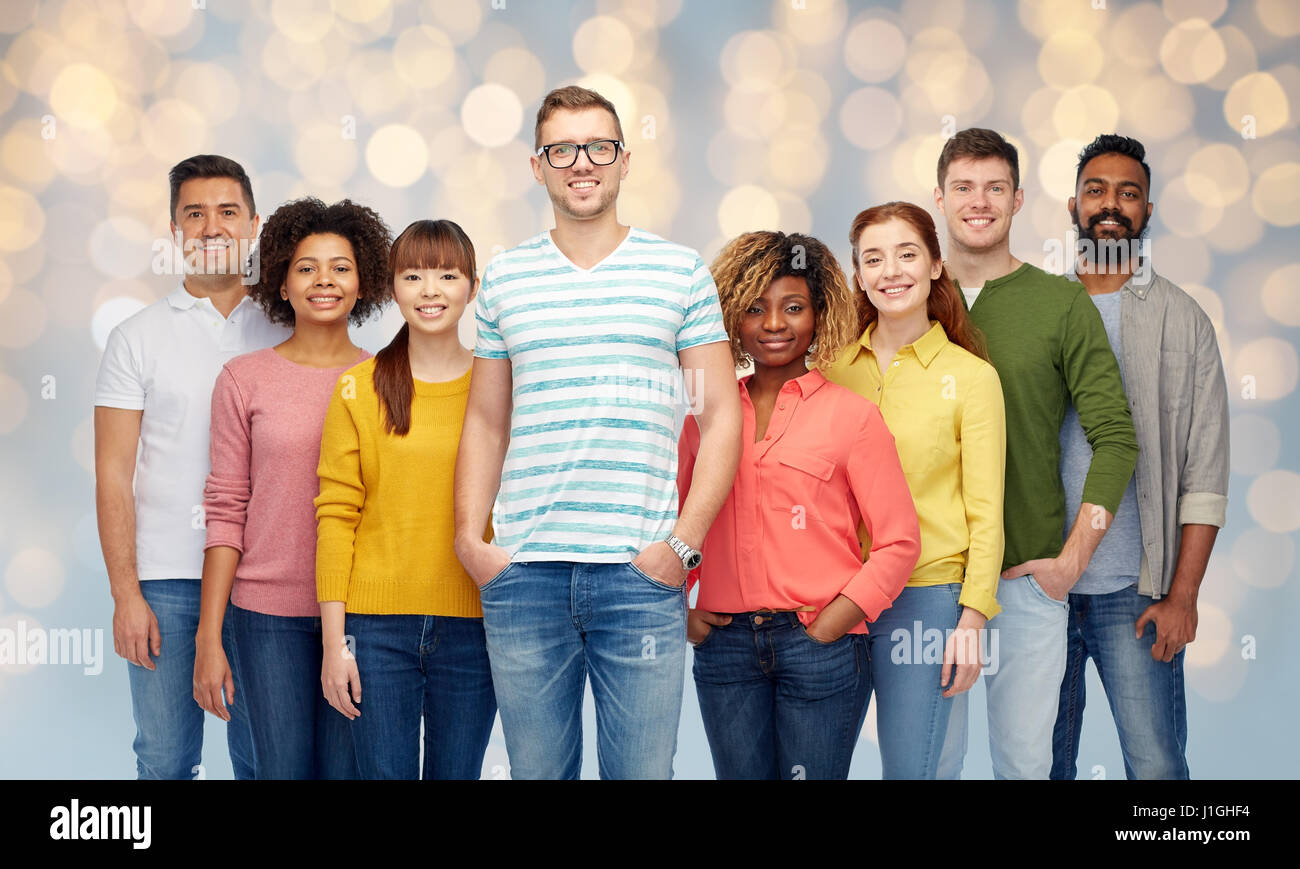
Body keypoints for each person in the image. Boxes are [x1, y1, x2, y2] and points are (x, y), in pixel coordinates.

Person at [453, 85, 743, 780]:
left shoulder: (678, 273)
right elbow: (487, 420)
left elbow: (721, 413)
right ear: (537, 165)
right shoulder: (505, 279)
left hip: (638, 574)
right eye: (562, 148)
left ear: (623, 160)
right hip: (526, 575)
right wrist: (471, 539)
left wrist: (683, 545)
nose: (581, 162)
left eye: (598, 146)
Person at [932, 128, 1139, 780]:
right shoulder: (903, 296)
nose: (979, 201)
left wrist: (1071, 560)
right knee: (927, 763)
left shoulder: (1059, 303)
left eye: (995, 187)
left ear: (1018, 199)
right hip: (925, 582)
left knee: (1026, 766)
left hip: (1027, 579)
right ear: (939, 196)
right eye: (964, 186)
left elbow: (1116, 436)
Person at [680, 230, 920, 780]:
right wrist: (682, 614)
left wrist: (836, 621)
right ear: (733, 318)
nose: (773, 324)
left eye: (793, 308)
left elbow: (899, 540)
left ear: (819, 315)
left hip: (819, 645)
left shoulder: (852, 418)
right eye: (755, 309)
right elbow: (670, 524)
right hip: (725, 650)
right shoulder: (707, 420)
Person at [95, 154, 285, 779]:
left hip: (266, 582)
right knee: (166, 758)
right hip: (167, 582)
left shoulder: (287, 327)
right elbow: (112, 475)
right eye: (194, 213)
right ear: (175, 230)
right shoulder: (136, 337)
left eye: (227, 212)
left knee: (267, 761)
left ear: (253, 223)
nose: (211, 226)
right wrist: (127, 595)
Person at [1050, 135, 1229, 780]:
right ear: (1073, 205)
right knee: (1039, 765)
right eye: (1096, 189)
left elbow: (1206, 473)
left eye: (1128, 193)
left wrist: (1184, 595)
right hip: (1042, 586)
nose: (1111, 204)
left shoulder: (1184, 321)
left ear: (1148, 211)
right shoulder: (1040, 309)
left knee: (1156, 768)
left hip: (1138, 591)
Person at [193, 197, 390, 779]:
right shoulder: (243, 380)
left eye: (340, 267)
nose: (323, 280)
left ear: (363, 284)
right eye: (306, 268)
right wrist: (210, 635)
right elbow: (226, 510)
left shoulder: (386, 381)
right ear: (281, 282)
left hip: (361, 612)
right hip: (265, 617)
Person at [821, 202, 1005, 779]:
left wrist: (972, 620)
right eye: (873, 259)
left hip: (925, 598)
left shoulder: (972, 379)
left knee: (912, 769)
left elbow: (985, 511)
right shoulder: (828, 370)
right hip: (832, 597)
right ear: (858, 276)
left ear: (935, 266)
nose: (890, 271)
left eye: (906, 254)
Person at [314, 219, 497, 780]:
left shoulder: (500, 389)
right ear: (392, 287)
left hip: (476, 626)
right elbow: (336, 516)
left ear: (473, 285)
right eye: (413, 275)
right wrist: (333, 645)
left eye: (448, 274)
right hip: (376, 629)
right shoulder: (357, 388)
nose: (431, 290)